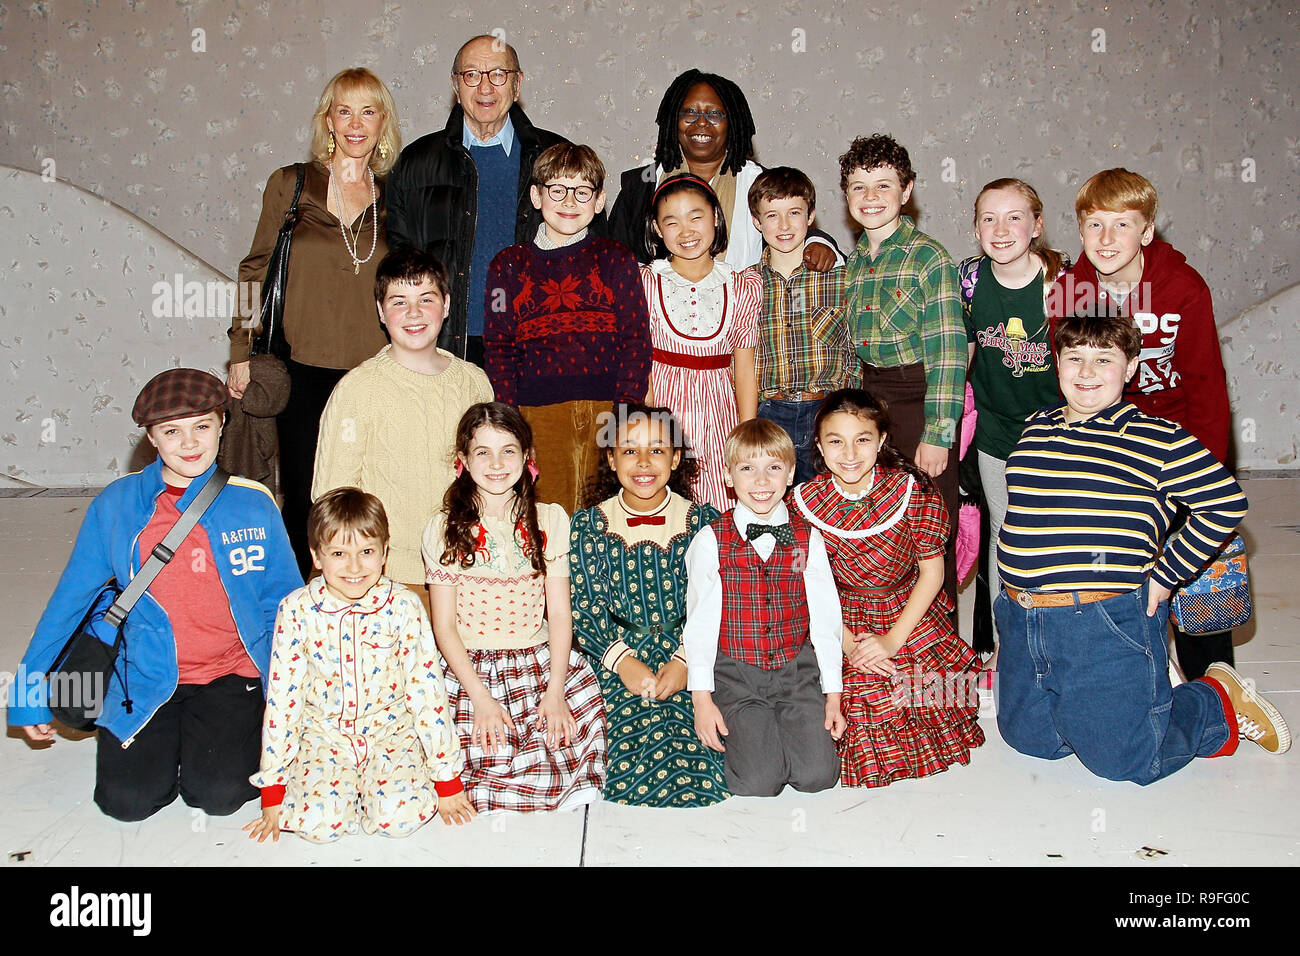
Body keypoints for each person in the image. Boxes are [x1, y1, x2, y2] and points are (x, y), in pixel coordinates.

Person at [996, 314, 1290, 783]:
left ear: (1130, 368)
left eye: (1104, 360)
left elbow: (1225, 503)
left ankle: (1214, 701)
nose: (1087, 372)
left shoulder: (1159, 439)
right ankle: (1106, 711)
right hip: (1019, 614)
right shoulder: (1036, 427)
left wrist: (1167, 573)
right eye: (1074, 358)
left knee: (1129, 760)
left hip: (1104, 618)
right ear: (1057, 364)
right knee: (1031, 739)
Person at [8, 369, 301, 821]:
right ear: (151, 437)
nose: (189, 443)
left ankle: (220, 734)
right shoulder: (116, 505)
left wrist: (302, 693)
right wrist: (29, 692)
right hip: (142, 674)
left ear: (223, 423)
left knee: (219, 795)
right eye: (171, 431)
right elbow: (69, 603)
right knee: (126, 803)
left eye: (202, 426)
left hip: (230, 672)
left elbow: (287, 603)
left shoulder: (254, 503)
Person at [1050, 167, 1235, 681]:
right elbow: (1067, 380)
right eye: (1094, 226)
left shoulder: (1183, 287)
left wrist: (1208, 472)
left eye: (1122, 225)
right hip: (1110, 447)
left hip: (1178, 444)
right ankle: (1133, 675)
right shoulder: (1071, 289)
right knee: (1122, 571)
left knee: (1198, 580)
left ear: (1147, 231)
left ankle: (1215, 688)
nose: (1106, 240)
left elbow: (1206, 385)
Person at [228, 67, 401, 576]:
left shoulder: (395, 193)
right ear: (327, 119)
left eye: (367, 111)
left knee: (369, 494)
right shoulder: (291, 184)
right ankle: (294, 604)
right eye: (343, 110)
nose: (354, 123)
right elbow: (252, 269)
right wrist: (240, 350)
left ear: (382, 121)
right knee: (303, 493)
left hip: (376, 370)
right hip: (301, 366)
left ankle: (369, 602)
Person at [244, 488, 476, 843]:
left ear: (384, 552)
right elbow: (282, 700)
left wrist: (446, 779)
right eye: (339, 553)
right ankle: (337, 796)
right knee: (317, 826)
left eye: (366, 552)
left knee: (399, 819)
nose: (354, 567)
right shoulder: (296, 610)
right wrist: (273, 788)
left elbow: (427, 692)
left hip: (391, 734)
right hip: (325, 737)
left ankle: (377, 793)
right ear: (316, 556)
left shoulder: (404, 606)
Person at [794, 389, 984, 787]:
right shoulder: (802, 503)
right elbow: (803, 584)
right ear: (819, 446)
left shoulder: (912, 492)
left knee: (915, 697)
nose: (849, 453)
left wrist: (892, 642)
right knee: (849, 712)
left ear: (881, 441)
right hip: (838, 618)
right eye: (836, 441)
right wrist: (846, 642)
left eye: (862, 439)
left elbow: (932, 573)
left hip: (907, 615)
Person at [422, 403, 607, 812]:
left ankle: (558, 768)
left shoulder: (550, 520)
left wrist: (556, 689)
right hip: (470, 669)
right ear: (463, 461)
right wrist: (481, 699)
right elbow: (445, 628)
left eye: (508, 450)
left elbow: (559, 615)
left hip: (538, 660)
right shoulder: (443, 529)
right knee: (483, 758)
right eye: (482, 452)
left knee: (563, 737)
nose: (496, 463)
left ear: (527, 457)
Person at [386, 35, 598, 367]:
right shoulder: (415, 164)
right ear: (456, 85)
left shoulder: (556, 158)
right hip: (444, 346)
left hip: (537, 346)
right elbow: (400, 265)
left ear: (517, 84)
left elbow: (590, 257)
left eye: (498, 74)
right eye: (472, 75)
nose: (485, 88)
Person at [312, 249, 493, 618]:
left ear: (446, 305)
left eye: (426, 299)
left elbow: (493, 477)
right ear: (381, 312)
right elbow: (332, 496)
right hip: (388, 579)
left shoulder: (475, 382)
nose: (413, 313)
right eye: (399, 302)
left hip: (468, 572)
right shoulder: (358, 389)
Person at [570, 403, 729, 807]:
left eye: (657, 450)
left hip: (689, 650)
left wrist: (685, 661)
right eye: (629, 451)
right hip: (615, 653)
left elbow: (715, 601)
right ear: (610, 458)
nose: (643, 463)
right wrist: (624, 663)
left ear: (676, 459)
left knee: (707, 747)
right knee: (625, 744)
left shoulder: (704, 523)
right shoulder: (589, 525)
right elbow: (584, 607)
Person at [485, 143, 652, 513]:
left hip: (606, 410)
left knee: (604, 516)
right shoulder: (507, 266)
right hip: (535, 414)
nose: (569, 201)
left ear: (599, 200)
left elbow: (636, 341)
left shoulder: (616, 260)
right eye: (557, 189)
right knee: (546, 518)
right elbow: (498, 347)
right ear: (536, 195)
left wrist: (624, 413)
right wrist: (510, 419)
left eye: (582, 191)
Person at [682, 419, 845, 797]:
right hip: (737, 673)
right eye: (747, 468)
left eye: (773, 468)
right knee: (760, 782)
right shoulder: (711, 540)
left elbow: (825, 618)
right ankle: (759, 739)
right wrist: (702, 699)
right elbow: (701, 625)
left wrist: (832, 693)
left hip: (795, 670)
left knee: (819, 776)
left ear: (790, 473)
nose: (761, 481)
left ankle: (789, 731)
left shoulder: (808, 537)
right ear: (728, 475)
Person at [840, 133, 965, 615]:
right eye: (858, 187)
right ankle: (892, 641)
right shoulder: (854, 263)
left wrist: (938, 434)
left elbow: (950, 354)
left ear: (907, 190)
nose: (870, 198)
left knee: (932, 530)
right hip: (873, 402)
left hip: (921, 399)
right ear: (847, 197)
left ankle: (940, 648)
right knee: (885, 530)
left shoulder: (929, 259)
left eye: (883, 185)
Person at [959, 178, 1071, 656]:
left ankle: (1066, 636)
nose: (1000, 229)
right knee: (1003, 534)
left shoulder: (1065, 286)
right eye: (989, 218)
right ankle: (1013, 646)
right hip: (997, 432)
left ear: (1037, 226)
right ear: (976, 227)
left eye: (1014, 217)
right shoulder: (969, 280)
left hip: (1060, 432)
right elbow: (962, 353)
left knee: (1061, 533)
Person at [607, 69, 837, 271]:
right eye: (689, 113)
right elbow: (611, 257)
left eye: (714, 114)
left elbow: (793, 224)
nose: (701, 123)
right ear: (672, 120)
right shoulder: (641, 186)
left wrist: (817, 243)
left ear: (733, 123)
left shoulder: (761, 183)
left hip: (742, 315)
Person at [642, 173, 760, 511]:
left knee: (720, 504)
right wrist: (648, 426)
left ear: (716, 218)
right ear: (658, 229)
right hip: (666, 408)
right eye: (672, 222)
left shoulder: (741, 286)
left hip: (720, 408)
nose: (686, 230)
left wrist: (746, 433)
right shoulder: (646, 281)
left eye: (696, 216)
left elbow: (744, 367)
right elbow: (643, 364)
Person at [749, 167, 855, 485]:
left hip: (829, 412)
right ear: (756, 221)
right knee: (773, 515)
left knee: (831, 511)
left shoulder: (840, 276)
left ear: (810, 217)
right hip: (771, 413)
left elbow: (857, 350)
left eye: (794, 213)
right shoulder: (746, 284)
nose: (784, 225)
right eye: (772, 215)